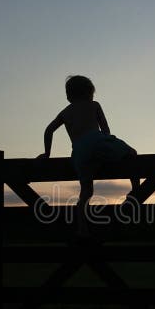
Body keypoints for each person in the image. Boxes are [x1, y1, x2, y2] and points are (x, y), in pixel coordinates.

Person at [37, 75, 139, 237]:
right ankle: (136, 192)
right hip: (98, 140)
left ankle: (82, 228)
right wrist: (108, 147)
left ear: (69, 96)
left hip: (79, 151)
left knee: (86, 191)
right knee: (132, 154)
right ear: (89, 93)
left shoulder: (65, 112)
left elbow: (48, 130)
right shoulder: (94, 105)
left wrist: (47, 153)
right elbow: (106, 131)